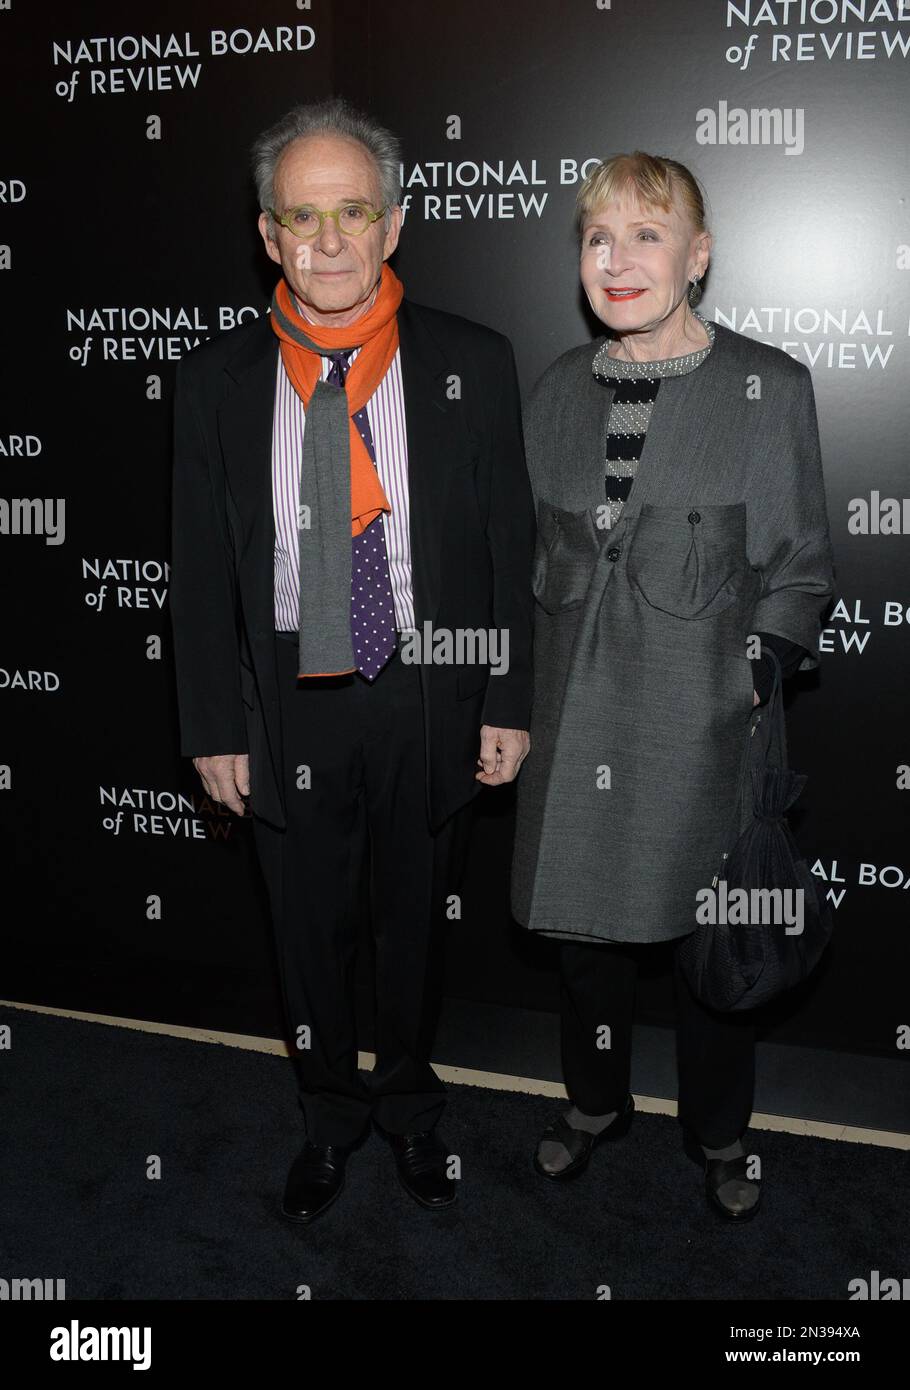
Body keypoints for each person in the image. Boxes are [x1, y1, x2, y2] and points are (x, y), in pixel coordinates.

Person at [170, 98, 534, 1225]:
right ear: (269, 236)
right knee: (305, 932)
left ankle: (414, 1115)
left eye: (352, 212)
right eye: (301, 216)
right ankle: (328, 1117)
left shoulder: (473, 361)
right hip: (285, 698)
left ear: (394, 223)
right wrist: (211, 725)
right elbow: (194, 567)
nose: (327, 241)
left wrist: (507, 697)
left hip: (430, 686)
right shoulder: (218, 378)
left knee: (416, 926)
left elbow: (508, 544)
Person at [511, 152, 835, 1220]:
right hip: (574, 724)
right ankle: (593, 1104)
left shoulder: (766, 386)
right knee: (584, 951)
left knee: (712, 954)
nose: (618, 259)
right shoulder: (557, 389)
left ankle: (720, 1133)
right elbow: (535, 570)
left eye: (647, 235)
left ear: (696, 256)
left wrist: (751, 673)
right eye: (598, 237)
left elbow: (799, 568)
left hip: (704, 730)